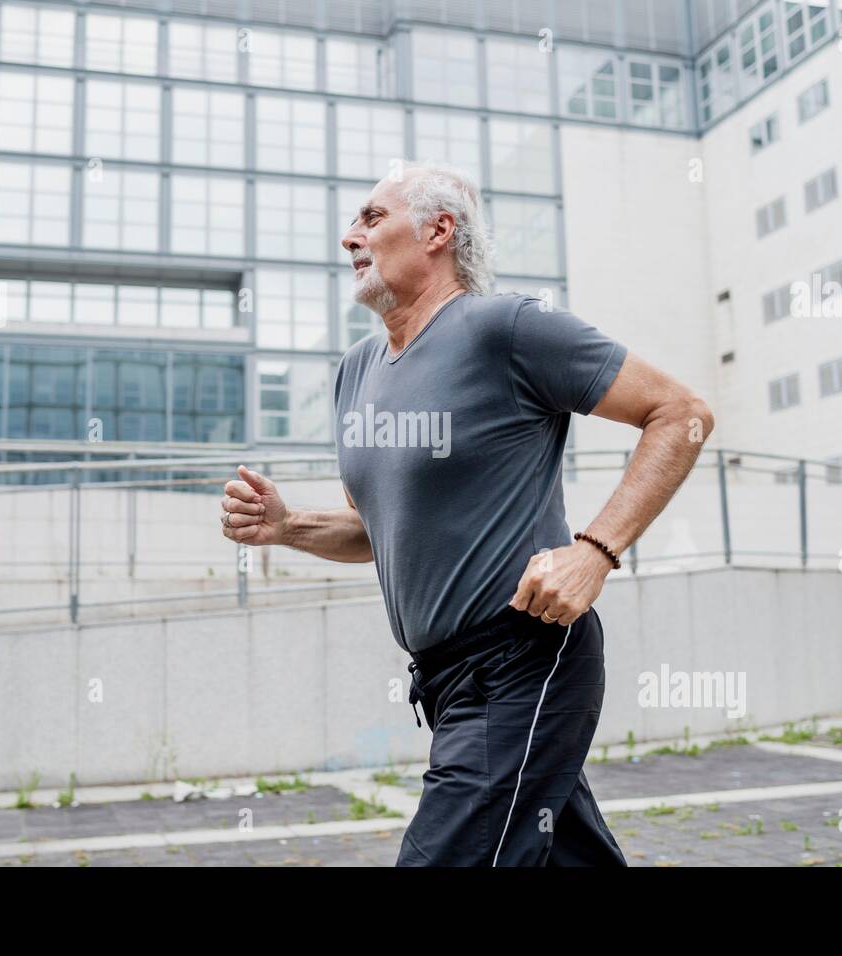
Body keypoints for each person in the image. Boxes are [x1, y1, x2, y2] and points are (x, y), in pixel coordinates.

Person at [220, 162, 714, 866]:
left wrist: (595, 551)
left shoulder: (504, 329)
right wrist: (287, 525)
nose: (348, 237)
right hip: (444, 680)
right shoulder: (355, 372)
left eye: (370, 218)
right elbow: (377, 529)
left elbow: (681, 413)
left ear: (437, 231)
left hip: (525, 657)